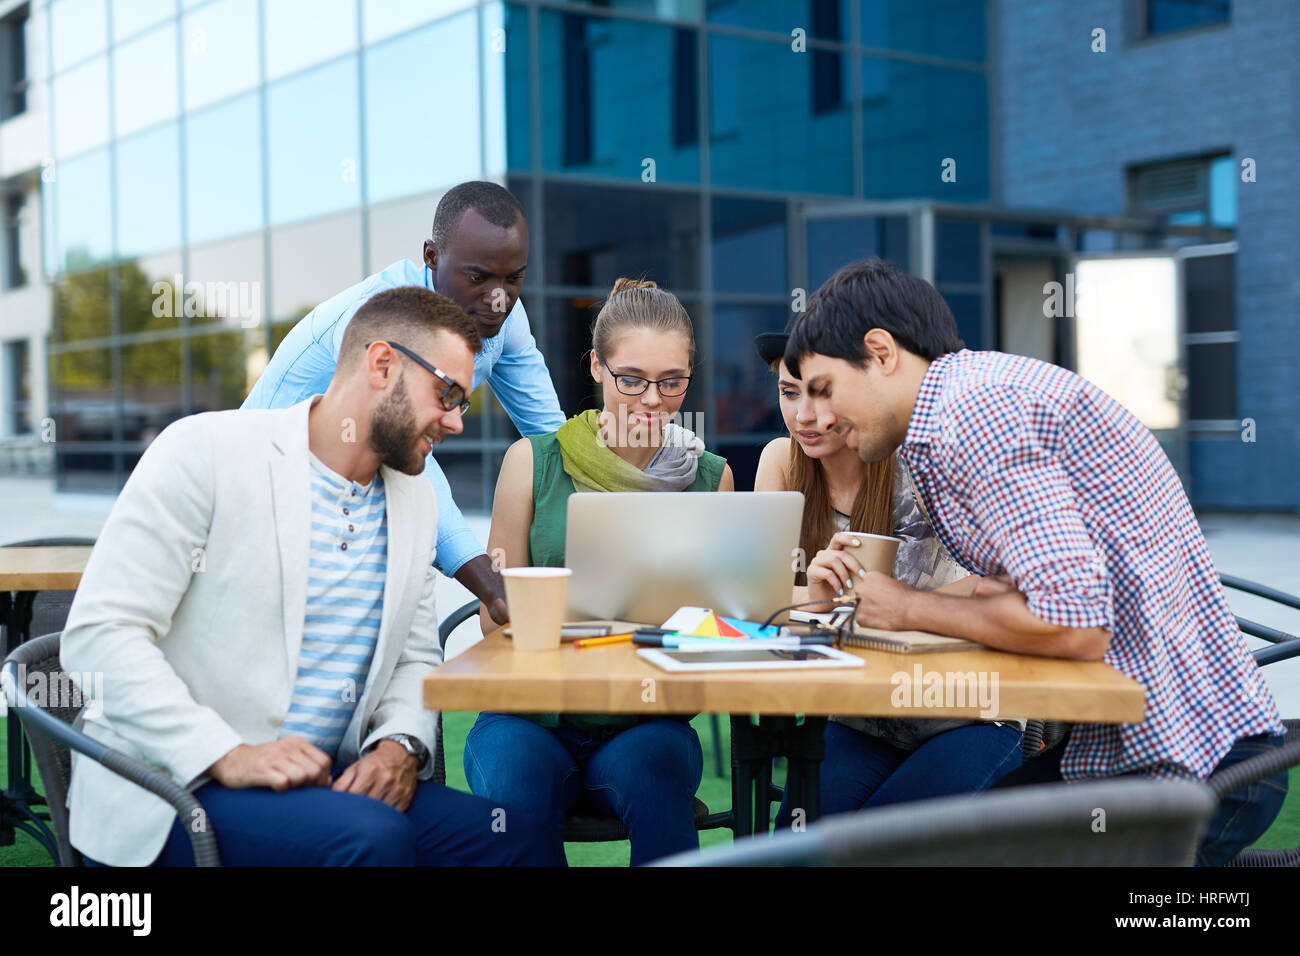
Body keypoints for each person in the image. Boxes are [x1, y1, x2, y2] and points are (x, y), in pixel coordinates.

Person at [783, 257, 1287, 866]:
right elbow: (1018, 596)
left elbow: (1072, 625)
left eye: (826, 388)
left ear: (881, 352)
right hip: (1134, 750)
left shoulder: (974, 416)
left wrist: (906, 605)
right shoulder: (964, 406)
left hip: (1192, 761)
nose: (821, 417)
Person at [61, 287, 559, 866]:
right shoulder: (204, 451)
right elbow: (99, 637)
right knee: (372, 839)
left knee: (519, 839)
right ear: (381, 364)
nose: (454, 421)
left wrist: (399, 744)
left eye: (462, 403)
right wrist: (227, 753)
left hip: (332, 783)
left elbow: (416, 658)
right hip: (177, 788)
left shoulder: (417, 501)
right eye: (446, 394)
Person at [463, 278, 734, 865]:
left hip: (645, 717)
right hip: (527, 716)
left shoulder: (712, 477)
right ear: (596, 367)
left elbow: (722, 624)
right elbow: (492, 621)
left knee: (656, 773)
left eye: (671, 382)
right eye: (630, 378)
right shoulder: (533, 463)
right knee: (516, 791)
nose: (651, 400)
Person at [243, 181, 564, 625]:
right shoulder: (380, 320)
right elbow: (407, 457)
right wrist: (489, 583)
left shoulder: (505, 314)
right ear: (432, 257)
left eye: (514, 278)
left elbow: (550, 435)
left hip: (360, 496)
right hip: (268, 497)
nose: (499, 299)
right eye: (479, 277)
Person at [752, 333, 1024, 821]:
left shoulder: (918, 456)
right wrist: (815, 595)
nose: (803, 415)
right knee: (797, 842)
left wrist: (901, 605)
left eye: (822, 391)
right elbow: (757, 601)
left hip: (968, 710)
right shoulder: (782, 460)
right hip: (861, 715)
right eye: (789, 392)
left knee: (884, 843)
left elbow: (1003, 578)